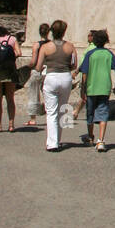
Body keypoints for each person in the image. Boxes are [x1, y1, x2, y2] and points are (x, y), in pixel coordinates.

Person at [35, 20, 77, 152]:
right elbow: (74, 65)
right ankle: (57, 139)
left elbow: (38, 66)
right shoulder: (70, 47)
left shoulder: (45, 47)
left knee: (51, 111)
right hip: (65, 77)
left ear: (51, 32)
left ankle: (52, 142)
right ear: (64, 31)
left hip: (52, 77)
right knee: (61, 109)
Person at [78, 30, 115, 151]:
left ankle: (90, 136)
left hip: (91, 87)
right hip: (104, 88)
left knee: (90, 112)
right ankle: (101, 140)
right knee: (103, 113)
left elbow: (84, 73)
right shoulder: (109, 54)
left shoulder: (90, 54)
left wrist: (83, 89)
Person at [0, 28, 22, 133]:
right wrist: (9, 56)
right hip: (10, 69)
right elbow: (19, 53)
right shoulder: (13, 39)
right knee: (10, 98)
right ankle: (11, 124)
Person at [25, 23, 50, 129]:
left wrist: (27, 67)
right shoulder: (51, 44)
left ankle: (33, 119)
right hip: (49, 70)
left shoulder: (37, 45)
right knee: (48, 95)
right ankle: (49, 117)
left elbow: (34, 61)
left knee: (33, 94)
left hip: (37, 70)